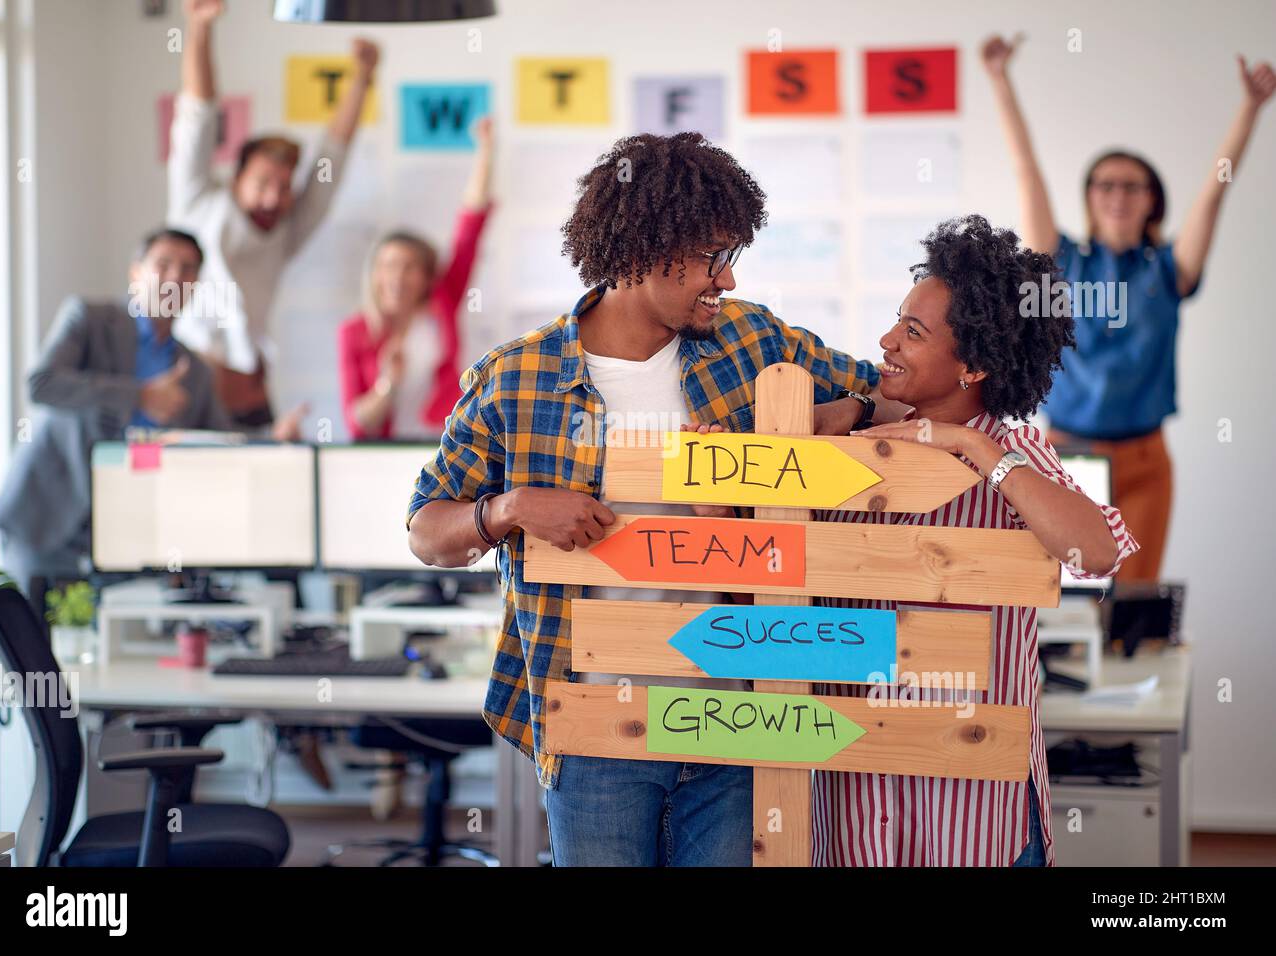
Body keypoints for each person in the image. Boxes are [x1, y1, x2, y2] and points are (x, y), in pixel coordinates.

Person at [407, 132, 882, 867]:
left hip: (739, 713)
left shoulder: (752, 341)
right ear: (646, 247)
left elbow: (881, 393)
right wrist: (508, 510)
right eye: (712, 256)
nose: (725, 279)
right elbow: (426, 533)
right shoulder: (516, 377)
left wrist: (840, 415)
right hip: (598, 723)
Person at [805, 215, 1139, 866]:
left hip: (972, 815)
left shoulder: (1012, 454)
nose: (886, 340)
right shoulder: (850, 447)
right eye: (897, 320)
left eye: (913, 331)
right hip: (856, 809)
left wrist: (970, 445)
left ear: (976, 364)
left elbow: (1095, 552)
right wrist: (856, 410)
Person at [982, 34, 1274, 582]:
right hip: (1064, 456)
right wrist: (1000, 80)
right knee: (1058, 601)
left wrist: (1251, 109)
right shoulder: (1059, 260)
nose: (1117, 194)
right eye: (1104, 184)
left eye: (1131, 185)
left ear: (1151, 200)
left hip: (1144, 458)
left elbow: (1215, 193)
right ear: (1090, 195)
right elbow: (1028, 174)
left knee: (1131, 607)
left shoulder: (1166, 270)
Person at [0, 228, 234, 610]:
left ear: (196, 284)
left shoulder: (194, 371)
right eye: (163, 265)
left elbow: (218, 443)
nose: (173, 278)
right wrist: (139, 395)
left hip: (123, 541)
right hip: (49, 521)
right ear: (136, 273)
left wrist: (271, 440)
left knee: (112, 657)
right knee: (32, 656)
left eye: (187, 270)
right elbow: (41, 384)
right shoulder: (89, 320)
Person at [168, 0, 379, 433]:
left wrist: (362, 78)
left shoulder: (285, 234)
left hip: (254, 400)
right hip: (192, 395)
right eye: (263, 182)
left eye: (285, 187)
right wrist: (200, 28)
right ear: (235, 178)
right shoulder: (198, 206)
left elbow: (331, 159)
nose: (274, 197)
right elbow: (197, 118)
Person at [338, 117, 495, 441]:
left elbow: (470, 227)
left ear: (426, 277)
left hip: (447, 446)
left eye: (409, 267)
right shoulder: (354, 333)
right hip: (386, 457)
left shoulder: (443, 302)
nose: (397, 276)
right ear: (374, 275)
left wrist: (486, 150)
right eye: (388, 266)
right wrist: (388, 384)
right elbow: (357, 425)